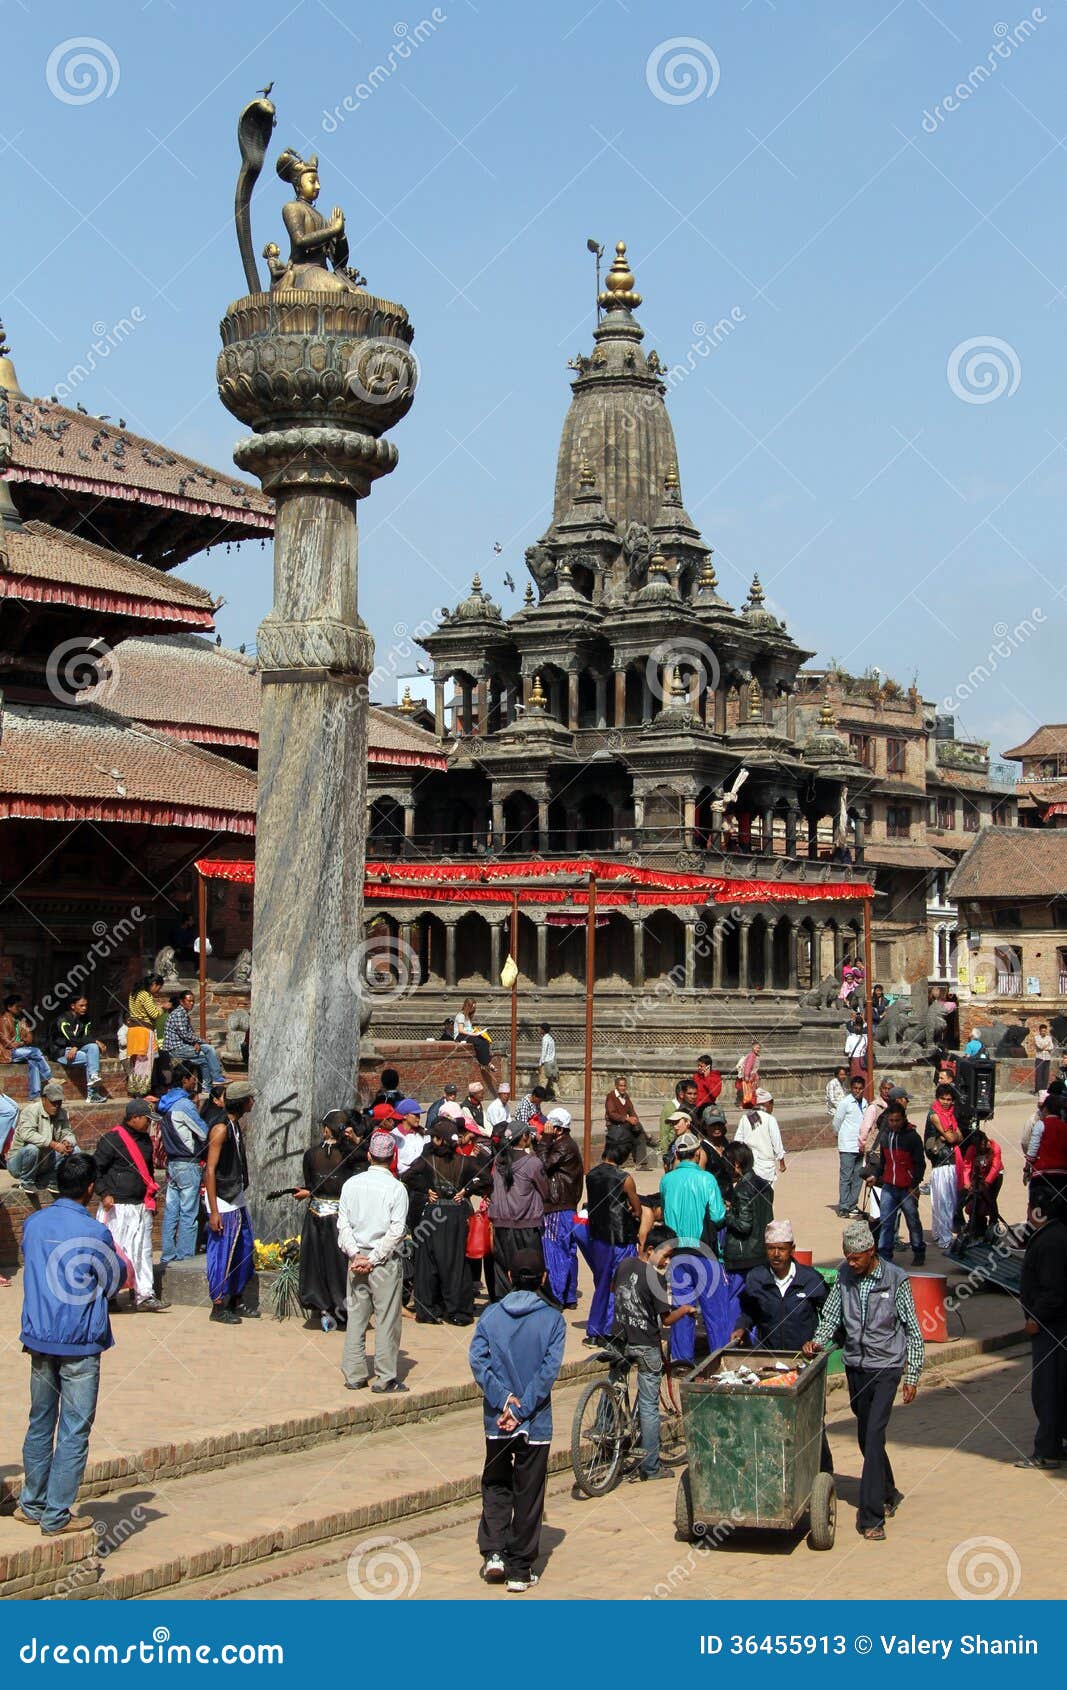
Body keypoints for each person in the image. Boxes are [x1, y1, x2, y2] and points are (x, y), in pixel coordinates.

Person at [15, 1151, 123, 1535]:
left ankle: (32, 1502)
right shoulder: (95, 1232)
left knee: (41, 1420)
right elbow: (114, 1282)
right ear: (90, 1188)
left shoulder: (34, 1223)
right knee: (74, 1428)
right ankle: (56, 1513)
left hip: (40, 1336)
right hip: (79, 1340)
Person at [805, 1218, 924, 1540]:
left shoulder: (895, 1279)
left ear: (871, 1252)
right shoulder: (844, 1276)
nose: (851, 1262)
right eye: (847, 1256)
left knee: (873, 1436)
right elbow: (831, 1315)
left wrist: (911, 1374)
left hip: (886, 1368)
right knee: (865, 1437)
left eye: (856, 1257)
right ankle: (888, 1490)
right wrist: (818, 1342)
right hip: (856, 1366)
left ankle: (871, 1518)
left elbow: (913, 1330)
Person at [469, 1247, 566, 1591]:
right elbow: (548, 1372)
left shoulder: (491, 1316)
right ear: (542, 1278)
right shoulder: (553, 1319)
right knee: (529, 1493)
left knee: (496, 1483)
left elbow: (478, 1362)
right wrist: (522, 1408)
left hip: (497, 1420)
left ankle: (493, 1552)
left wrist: (504, 1402)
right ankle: (520, 1569)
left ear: (509, 1277)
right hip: (535, 1423)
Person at [610, 1225, 696, 1482]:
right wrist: (685, 1310)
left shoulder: (624, 1264)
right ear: (651, 1250)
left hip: (618, 1339)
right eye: (666, 1256)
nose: (667, 1262)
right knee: (648, 1405)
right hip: (645, 1345)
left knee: (614, 1388)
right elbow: (667, 1320)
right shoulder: (655, 1277)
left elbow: (615, 1291)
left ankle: (606, 1433)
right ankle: (651, 1467)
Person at [338, 1129, 410, 1391]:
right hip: (383, 1260)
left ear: (369, 1155)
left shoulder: (351, 1185)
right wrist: (375, 1258)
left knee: (357, 1316)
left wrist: (355, 1254)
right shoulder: (396, 1188)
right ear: (392, 1158)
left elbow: (343, 1223)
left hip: (357, 1257)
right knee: (387, 1318)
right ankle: (385, 1376)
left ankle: (354, 1374)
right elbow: (397, 1230)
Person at [660, 1130, 729, 1363]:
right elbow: (719, 1216)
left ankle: (681, 1360)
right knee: (715, 1312)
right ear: (698, 1153)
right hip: (704, 1252)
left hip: (677, 1253)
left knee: (681, 1309)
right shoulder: (706, 1179)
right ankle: (720, 1358)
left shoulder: (666, 1180)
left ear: (677, 1155)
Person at [94, 1100, 169, 1313]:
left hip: (139, 1206)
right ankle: (109, 1296)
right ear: (134, 1118)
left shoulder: (145, 1141)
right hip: (117, 1207)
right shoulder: (111, 1140)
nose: (149, 1124)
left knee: (143, 1251)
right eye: (146, 1120)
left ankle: (144, 1295)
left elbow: (148, 1173)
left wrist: (151, 1200)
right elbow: (96, 1169)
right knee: (116, 1252)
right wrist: (104, 1193)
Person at [402, 1121, 476, 1326]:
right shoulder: (465, 1162)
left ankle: (429, 1310)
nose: (432, 1140)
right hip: (456, 1216)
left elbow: (406, 1176)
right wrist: (467, 1191)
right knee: (455, 1264)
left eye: (435, 1137)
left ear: (440, 1140)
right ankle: (456, 1311)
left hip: (433, 1215)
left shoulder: (426, 1160)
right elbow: (485, 1180)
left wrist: (426, 1189)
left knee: (429, 1263)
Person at [294, 1113, 362, 1331]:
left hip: (316, 1215)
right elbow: (367, 1158)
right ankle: (341, 1307)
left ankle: (322, 1307)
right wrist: (355, 1140)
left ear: (326, 1129)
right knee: (338, 1263)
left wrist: (308, 1192)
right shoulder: (350, 1154)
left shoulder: (311, 1155)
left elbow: (310, 1185)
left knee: (317, 1261)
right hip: (339, 1217)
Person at [1016, 1178, 1067, 1468]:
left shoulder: (1049, 1242)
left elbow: (1052, 1291)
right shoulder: (1057, 1235)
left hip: (1052, 1327)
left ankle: (1047, 1448)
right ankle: (1057, 1441)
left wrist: (1036, 1318)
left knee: (1047, 1389)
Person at [203, 1080, 258, 1326]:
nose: (252, 1102)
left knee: (244, 1249)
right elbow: (210, 1171)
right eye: (250, 1099)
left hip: (236, 1197)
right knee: (222, 1253)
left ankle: (235, 1299)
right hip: (222, 1201)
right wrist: (214, 1211)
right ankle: (218, 1305)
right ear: (243, 1102)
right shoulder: (220, 1129)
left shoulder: (235, 1126)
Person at [584, 1141, 641, 1344]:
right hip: (620, 1236)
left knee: (602, 1283)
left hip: (598, 1236)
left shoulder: (591, 1175)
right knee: (620, 1285)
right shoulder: (625, 1179)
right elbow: (637, 1208)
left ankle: (594, 1329)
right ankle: (612, 1329)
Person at [157, 1063, 209, 1266]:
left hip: (172, 1163)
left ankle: (168, 1254)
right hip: (188, 1163)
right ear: (184, 1080)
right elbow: (203, 1132)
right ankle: (185, 1256)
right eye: (193, 1077)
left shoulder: (166, 1103)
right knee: (189, 1212)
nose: (195, 1081)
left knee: (172, 1211)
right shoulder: (184, 1105)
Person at [489, 1120, 548, 1292]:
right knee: (529, 1268)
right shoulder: (532, 1163)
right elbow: (545, 1192)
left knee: (503, 1269)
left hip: (501, 1224)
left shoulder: (498, 1161)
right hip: (526, 1225)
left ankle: (504, 1304)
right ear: (524, 1137)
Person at [720, 1142, 773, 1331]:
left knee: (736, 1301)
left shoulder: (742, 1190)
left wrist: (727, 1213)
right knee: (757, 1299)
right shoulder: (764, 1185)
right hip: (761, 1251)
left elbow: (743, 1225)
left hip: (742, 1256)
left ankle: (736, 1340)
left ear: (737, 1164)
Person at [867, 1097, 926, 1265]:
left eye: (897, 1120)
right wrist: (876, 1176)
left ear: (904, 1118)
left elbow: (920, 1164)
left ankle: (918, 1250)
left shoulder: (913, 1137)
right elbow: (884, 1163)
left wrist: (914, 1185)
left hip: (907, 1188)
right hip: (889, 1187)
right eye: (891, 1120)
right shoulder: (885, 1136)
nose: (893, 1123)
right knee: (886, 1222)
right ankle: (885, 1256)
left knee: (912, 1221)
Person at [539, 1108, 584, 1308]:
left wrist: (544, 1140)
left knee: (555, 1250)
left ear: (557, 1129)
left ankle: (555, 1297)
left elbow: (543, 1166)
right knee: (567, 1252)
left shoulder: (563, 1146)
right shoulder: (565, 1144)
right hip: (565, 1205)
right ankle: (569, 1295)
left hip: (558, 1205)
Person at [7, 1082, 77, 1193]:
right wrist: (53, 1144)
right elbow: (27, 1133)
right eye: (53, 1102)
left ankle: (52, 1181)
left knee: (75, 1150)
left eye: (59, 1102)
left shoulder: (62, 1113)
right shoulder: (30, 1111)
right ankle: (26, 1183)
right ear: (43, 1099)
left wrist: (67, 1142)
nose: (57, 1106)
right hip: (18, 1164)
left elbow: (67, 1132)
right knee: (32, 1148)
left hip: (42, 1162)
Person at [923, 1083, 962, 1252]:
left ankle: (940, 1234)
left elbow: (958, 1135)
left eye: (949, 1099)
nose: (946, 1102)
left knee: (946, 1201)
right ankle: (944, 1238)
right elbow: (952, 1138)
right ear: (937, 1099)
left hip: (951, 1162)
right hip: (941, 1163)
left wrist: (951, 1136)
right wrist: (950, 1136)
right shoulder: (934, 1115)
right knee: (944, 1201)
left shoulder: (951, 1115)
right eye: (943, 1099)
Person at [161, 990, 225, 1091]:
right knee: (204, 1058)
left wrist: (196, 1042)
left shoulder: (184, 1014)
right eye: (189, 1001)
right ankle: (207, 1087)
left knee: (209, 1049)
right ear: (182, 1002)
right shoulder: (178, 1014)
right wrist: (202, 1041)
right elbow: (185, 1035)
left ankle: (216, 1076)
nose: (191, 1003)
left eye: (193, 1001)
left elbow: (189, 1034)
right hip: (176, 1048)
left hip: (185, 1045)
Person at [49, 995, 108, 1103]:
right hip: (61, 1051)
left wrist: (77, 1046)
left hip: (75, 1048)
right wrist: (94, 1041)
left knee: (93, 1048)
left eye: (85, 1005)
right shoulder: (63, 1019)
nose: (84, 1008)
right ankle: (93, 1094)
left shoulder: (85, 1019)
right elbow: (70, 1038)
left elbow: (87, 1037)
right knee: (91, 1057)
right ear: (73, 1006)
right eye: (81, 1005)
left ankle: (94, 1077)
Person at [953, 1130, 1003, 1245]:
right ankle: (978, 1227)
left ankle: (993, 1224)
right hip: (979, 1176)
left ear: (986, 1142)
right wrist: (967, 1182)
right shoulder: (972, 1149)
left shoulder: (995, 1148)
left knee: (990, 1200)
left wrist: (987, 1182)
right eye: (977, 1148)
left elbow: (995, 1167)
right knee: (975, 1200)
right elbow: (967, 1166)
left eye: (981, 1147)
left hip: (995, 1176)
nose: (980, 1150)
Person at [1, 993, 52, 1101]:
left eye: (21, 1006)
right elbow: (8, 1044)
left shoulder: (20, 1021)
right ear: (9, 1007)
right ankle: (48, 1077)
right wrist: (21, 1043)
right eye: (17, 1007)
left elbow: (30, 1038)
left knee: (33, 1062)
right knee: (36, 1051)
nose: (20, 1009)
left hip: (20, 1051)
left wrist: (21, 1042)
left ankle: (34, 1095)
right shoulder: (3, 1020)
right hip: (8, 1053)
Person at [734, 1088, 786, 1187]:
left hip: (749, 1165)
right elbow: (777, 1142)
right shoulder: (770, 1119)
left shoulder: (745, 1118)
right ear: (767, 1104)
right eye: (772, 1105)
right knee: (766, 1195)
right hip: (765, 1167)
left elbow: (737, 1141)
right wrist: (782, 1162)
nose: (772, 1108)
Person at [833, 1075, 868, 1217]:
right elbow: (837, 1122)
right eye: (855, 1088)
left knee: (858, 1177)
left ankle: (853, 1204)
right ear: (851, 1089)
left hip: (860, 1145)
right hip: (847, 1145)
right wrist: (839, 1136)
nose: (857, 1091)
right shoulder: (845, 1103)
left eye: (860, 1089)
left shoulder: (865, 1103)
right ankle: (844, 1206)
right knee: (846, 1177)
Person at [125, 973, 164, 1097]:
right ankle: (142, 1092)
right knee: (145, 1062)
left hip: (133, 1031)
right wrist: (163, 1008)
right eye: (158, 987)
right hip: (144, 1031)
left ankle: (134, 1089)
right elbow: (154, 1014)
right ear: (153, 984)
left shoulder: (133, 994)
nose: (158, 990)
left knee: (135, 1062)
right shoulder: (146, 995)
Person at [604, 1074, 649, 1169]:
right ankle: (649, 1139)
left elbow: (631, 1110)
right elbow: (612, 1114)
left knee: (639, 1131)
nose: (623, 1088)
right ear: (616, 1086)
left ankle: (642, 1163)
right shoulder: (611, 1096)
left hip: (624, 1123)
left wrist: (635, 1119)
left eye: (624, 1086)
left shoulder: (626, 1097)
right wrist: (627, 1118)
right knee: (626, 1133)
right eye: (621, 1086)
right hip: (614, 1124)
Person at [658, 1077, 698, 1164]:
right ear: (682, 1094)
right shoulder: (674, 1109)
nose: (693, 1097)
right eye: (689, 1094)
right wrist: (665, 1153)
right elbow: (664, 1132)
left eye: (695, 1094)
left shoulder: (696, 1110)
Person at [391, 1098, 426, 1173]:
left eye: (419, 1115)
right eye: (415, 1115)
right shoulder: (394, 1136)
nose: (418, 1118)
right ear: (405, 1116)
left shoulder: (424, 1133)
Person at [736, 1040, 760, 1108]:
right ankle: (745, 1104)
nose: (758, 1049)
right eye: (756, 1047)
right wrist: (746, 1076)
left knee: (750, 1091)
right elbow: (748, 1066)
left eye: (759, 1048)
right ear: (752, 1048)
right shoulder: (751, 1056)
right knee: (749, 1092)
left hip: (752, 1076)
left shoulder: (754, 1056)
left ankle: (750, 1104)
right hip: (750, 1077)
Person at [537, 1023, 559, 1097]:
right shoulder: (551, 1038)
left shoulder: (545, 1039)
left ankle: (540, 1096)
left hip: (546, 1062)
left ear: (543, 1030)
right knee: (553, 1080)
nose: (539, 1030)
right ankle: (558, 1095)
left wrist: (540, 1064)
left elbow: (544, 1052)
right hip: (552, 1062)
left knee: (543, 1080)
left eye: (540, 1029)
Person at [844, 1015, 868, 1080]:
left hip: (854, 1060)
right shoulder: (865, 1038)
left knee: (855, 1078)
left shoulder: (850, 1037)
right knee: (863, 1078)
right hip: (863, 1060)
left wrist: (851, 1020)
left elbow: (846, 1050)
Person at [1034, 1024, 1055, 1095]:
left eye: (1045, 1031)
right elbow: (1039, 1047)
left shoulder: (1049, 1038)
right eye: (1042, 1031)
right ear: (1040, 1031)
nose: (1044, 1032)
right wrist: (1046, 1046)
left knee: (1045, 1075)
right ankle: (1037, 1090)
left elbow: (1052, 1046)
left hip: (1047, 1058)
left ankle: (1044, 1090)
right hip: (1039, 1058)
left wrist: (1046, 1047)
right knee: (1039, 1075)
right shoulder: (1037, 1037)